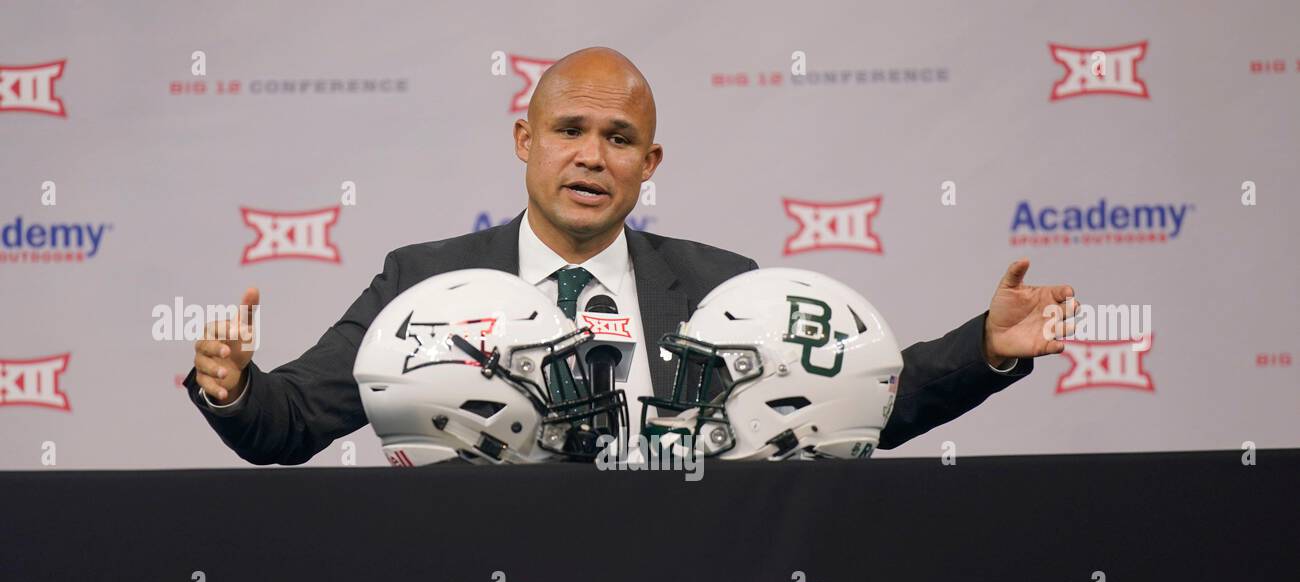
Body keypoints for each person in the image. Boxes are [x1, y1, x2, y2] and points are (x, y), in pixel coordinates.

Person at [185, 47, 1071, 466]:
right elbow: (293, 421)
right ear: (525, 140)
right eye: (569, 130)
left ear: (649, 166)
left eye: (619, 138)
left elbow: (853, 403)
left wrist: (986, 348)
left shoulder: (723, 284)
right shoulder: (425, 280)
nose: (591, 155)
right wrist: (234, 385)